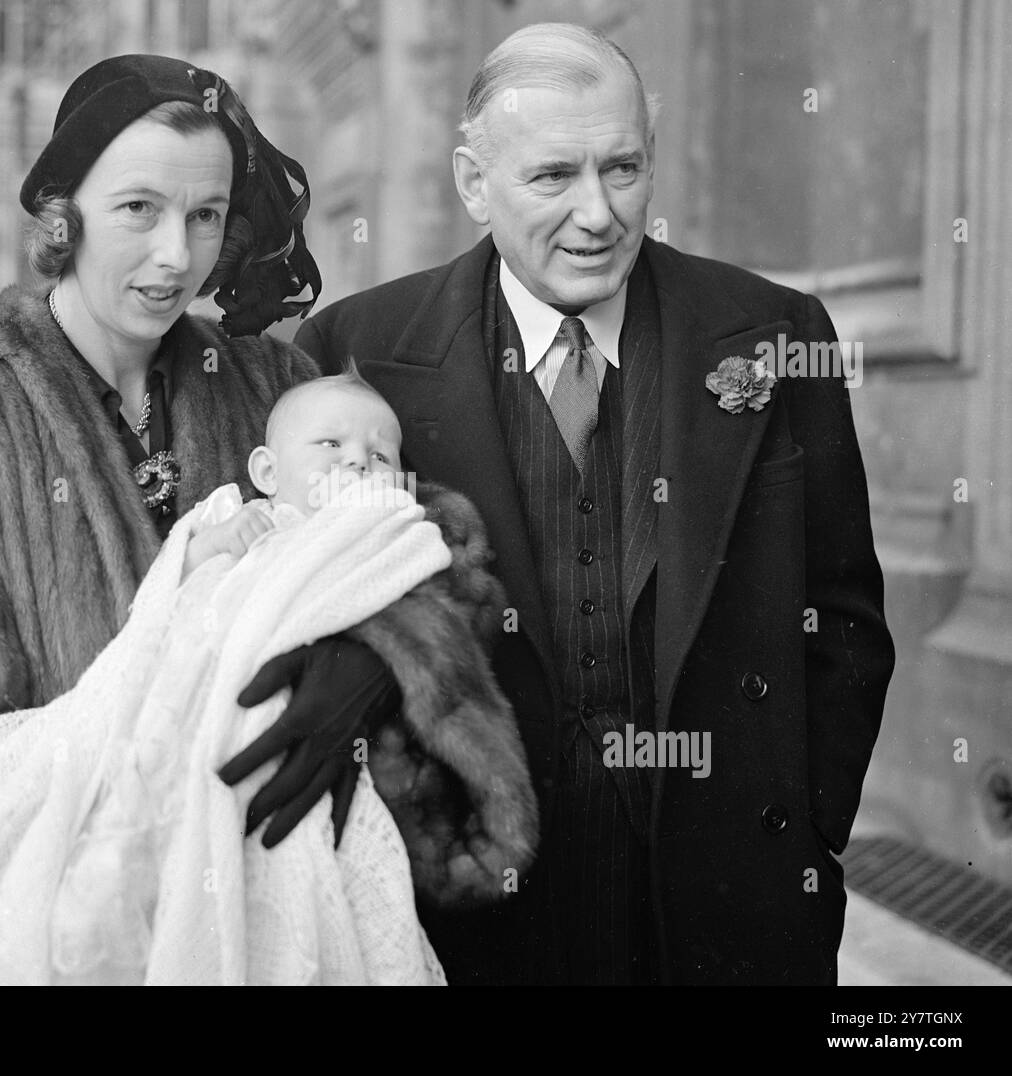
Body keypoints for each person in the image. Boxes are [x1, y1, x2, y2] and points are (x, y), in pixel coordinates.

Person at [294, 23, 896, 985]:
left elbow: (848, 618)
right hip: (472, 914)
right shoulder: (354, 356)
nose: (598, 214)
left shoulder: (774, 333)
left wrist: (808, 831)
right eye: (552, 177)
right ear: (471, 183)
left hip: (723, 902)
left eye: (623, 168)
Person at [0, 55, 517, 877]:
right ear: (60, 215)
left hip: (278, 885)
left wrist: (374, 659)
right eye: (138, 209)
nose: (174, 255)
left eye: (206, 216)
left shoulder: (278, 390)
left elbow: (436, 547)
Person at [0, 370, 537, 985]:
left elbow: (430, 568)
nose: (358, 459)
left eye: (379, 455)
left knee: (292, 906)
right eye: (331, 447)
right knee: (97, 883)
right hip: (159, 732)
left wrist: (380, 655)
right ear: (265, 467)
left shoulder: (336, 451)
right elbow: (166, 605)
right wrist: (208, 548)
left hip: (296, 767)